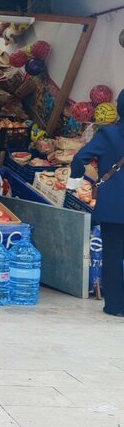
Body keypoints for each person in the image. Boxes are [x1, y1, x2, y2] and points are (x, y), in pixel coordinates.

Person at [67, 89, 124, 317]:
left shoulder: (109, 134)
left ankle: (115, 306)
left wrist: (75, 182)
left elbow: (80, 158)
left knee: (112, 254)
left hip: (112, 206)